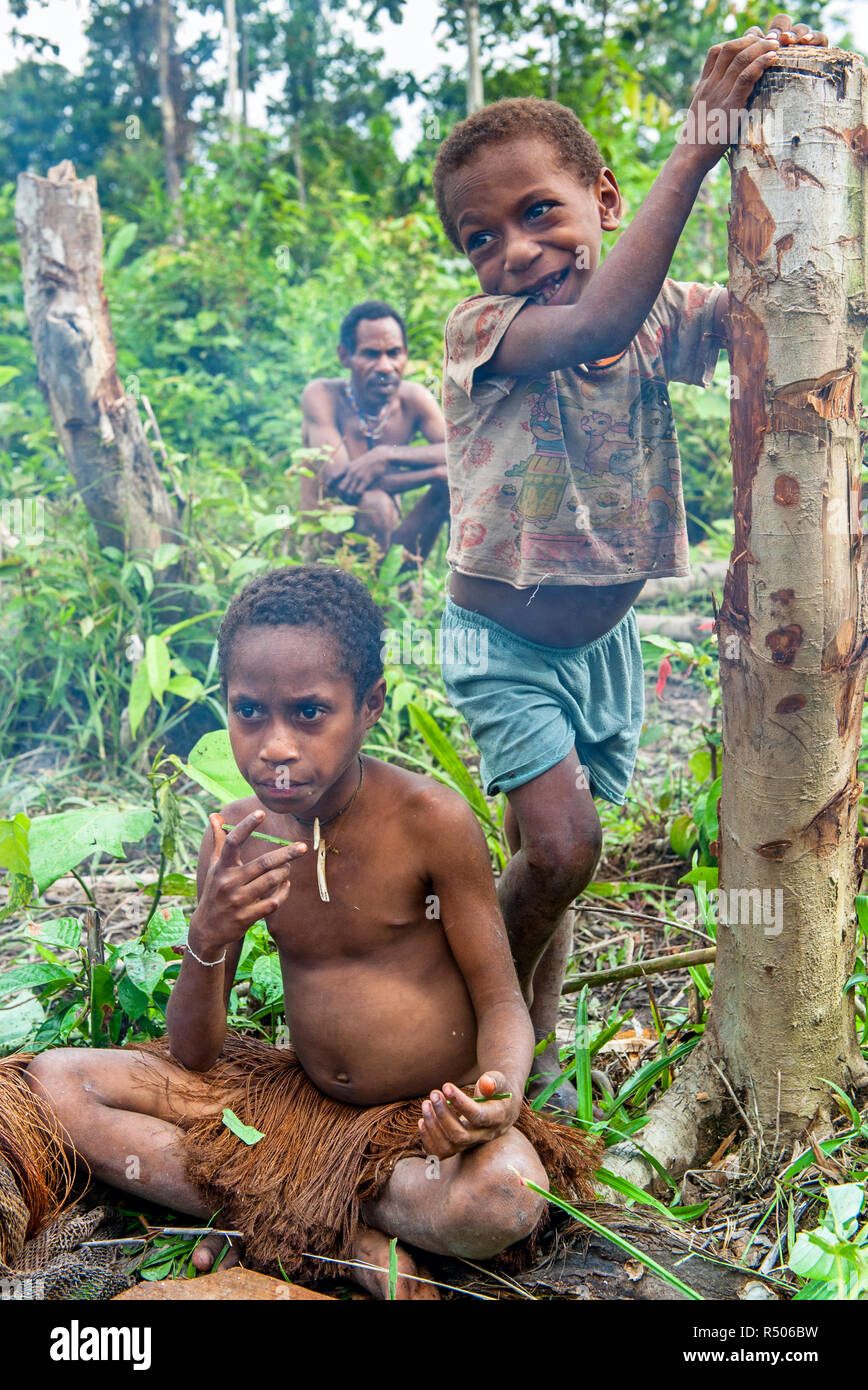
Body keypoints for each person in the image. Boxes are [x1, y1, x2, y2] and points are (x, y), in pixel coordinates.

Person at [431, 16, 827, 1110]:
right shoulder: (485, 328)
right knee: (562, 849)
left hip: (605, 647)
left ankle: (532, 1055)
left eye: (538, 212)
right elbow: (601, 313)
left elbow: (802, 311)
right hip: (501, 642)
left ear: (605, 200)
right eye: (481, 235)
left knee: (544, 871)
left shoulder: (666, 321)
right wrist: (697, 141)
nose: (513, 250)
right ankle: (466, 1027)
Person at [25, 565, 600, 1300]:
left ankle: (275, 1220)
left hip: (413, 1128)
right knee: (57, 1082)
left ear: (369, 707)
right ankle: (330, 1239)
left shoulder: (431, 822)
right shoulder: (236, 835)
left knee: (507, 1193)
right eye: (248, 712)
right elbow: (194, 1052)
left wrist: (496, 1098)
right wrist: (208, 932)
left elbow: (501, 1003)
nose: (275, 746)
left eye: (308, 713)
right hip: (291, 1107)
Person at [301, 301, 450, 562]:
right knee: (375, 504)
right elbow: (343, 483)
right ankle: (369, 594)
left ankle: (409, 584)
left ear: (406, 354)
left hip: (390, 545)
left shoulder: (413, 398)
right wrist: (436, 471)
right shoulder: (322, 395)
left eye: (394, 353)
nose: (385, 366)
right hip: (328, 552)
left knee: (453, 485)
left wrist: (386, 456)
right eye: (371, 354)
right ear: (345, 356)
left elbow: (460, 451)